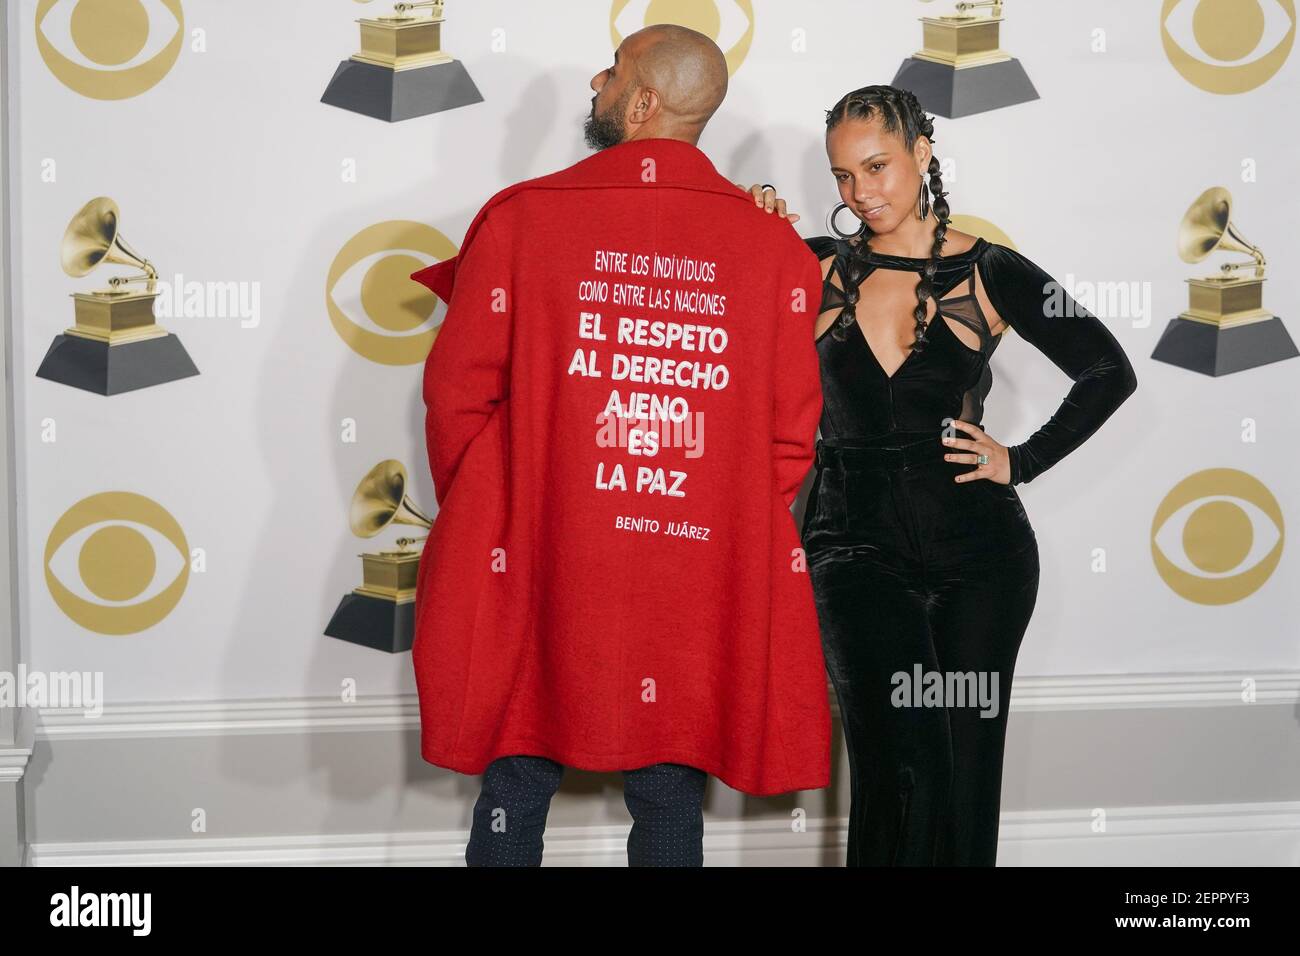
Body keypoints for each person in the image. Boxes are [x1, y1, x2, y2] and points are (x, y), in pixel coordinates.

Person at [408, 25, 831, 867]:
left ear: (640, 103)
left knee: (516, 774)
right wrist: (700, 505)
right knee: (671, 791)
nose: (596, 83)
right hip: (689, 567)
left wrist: (502, 510)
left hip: (542, 554)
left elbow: (457, 396)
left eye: (612, 74)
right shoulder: (773, 248)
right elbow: (789, 439)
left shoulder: (524, 220)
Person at [758, 84, 1137, 866]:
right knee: (898, 757)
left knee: (965, 770)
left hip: (980, 552)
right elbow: (698, 288)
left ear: (923, 155)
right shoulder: (810, 266)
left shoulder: (991, 269)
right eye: (842, 176)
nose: (862, 193)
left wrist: (1019, 460)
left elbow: (1107, 368)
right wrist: (745, 219)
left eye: (878, 167)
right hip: (852, 545)